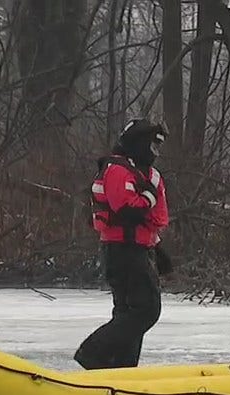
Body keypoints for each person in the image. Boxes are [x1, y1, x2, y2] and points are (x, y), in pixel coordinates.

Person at [75, 118, 174, 369]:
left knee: (128, 313)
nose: (155, 153)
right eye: (153, 146)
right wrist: (149, 195)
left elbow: (141, 221)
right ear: (139, 143)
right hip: (124, 252)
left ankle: (122, 369)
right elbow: (127, 210)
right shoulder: (118, 170)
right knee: (145, 311)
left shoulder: (135, 171)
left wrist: (157, 249)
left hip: (135, 249)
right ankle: (92, 352)